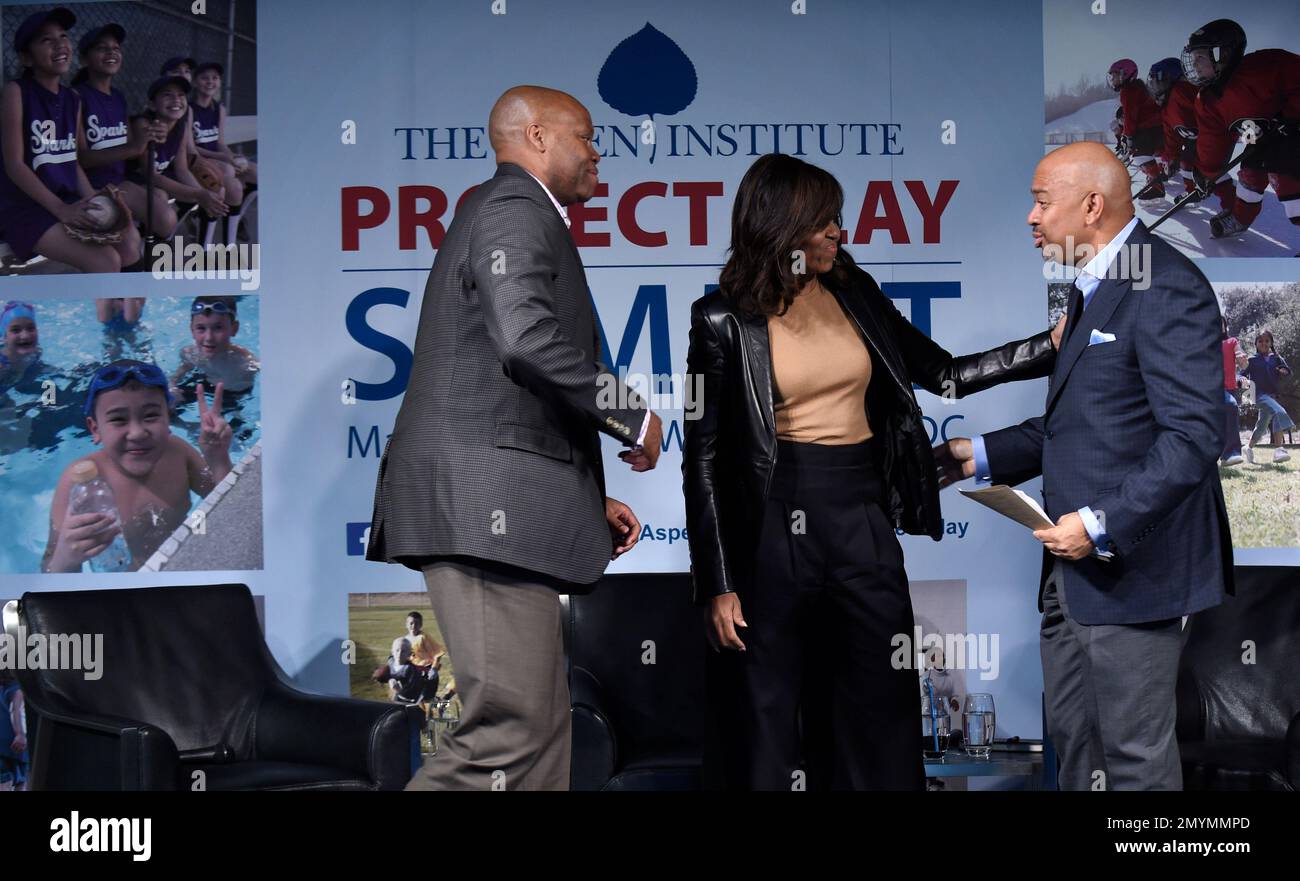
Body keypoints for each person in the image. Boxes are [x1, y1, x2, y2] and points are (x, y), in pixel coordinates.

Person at [684, 153, 1059, 791]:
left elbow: (945, 373)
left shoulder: (853, 291)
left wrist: (1047, 347)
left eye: (838, 219)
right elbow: (705, 458)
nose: (839, 232)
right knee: (769, 709)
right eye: (824, 220)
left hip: (860, 510)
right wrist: (716, 583)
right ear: (783, 224)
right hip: (772, 522)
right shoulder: (719, 317)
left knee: (879, 697)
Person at [365, 85, 663, 791]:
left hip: (503, 507)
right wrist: (632, 413)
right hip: (479, 512)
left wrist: (582, 497)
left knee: (543, 737)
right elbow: (526, 341)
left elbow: (503, 392)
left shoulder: (513, 213)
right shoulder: (514, 207)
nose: (597, 152)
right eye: (586, 136)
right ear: (534, 137)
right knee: (512, 729)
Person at [935, 141, 1234, 791]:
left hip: (1131, 574)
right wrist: (977, 456)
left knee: (1134, 761)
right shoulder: (1093, 288)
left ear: (1092, 205)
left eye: (1042, 201)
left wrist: (1099, 524)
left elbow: (1190, 437)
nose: (1030, 218)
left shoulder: (1167, 285)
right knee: (1076, 751)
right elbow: (1083, 426)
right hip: (1068, 580)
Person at [41, 360, 231, 572]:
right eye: (119, 420)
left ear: (168, 418)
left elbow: (226, 508)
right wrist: (67, 558)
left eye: (150, 416)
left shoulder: (178, 452)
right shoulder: (79, 482)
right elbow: (50, 568)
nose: (138, 433)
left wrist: (218, 458)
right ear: (95, 429)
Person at [0, 7, 141, 272]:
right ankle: (105, 311)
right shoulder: (16, 91)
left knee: (130, 240)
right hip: (24, 208)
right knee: (106, 260)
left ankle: (129, 310)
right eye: (46, 39)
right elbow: (14, 165)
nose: (59, 44)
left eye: (63, 36)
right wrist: (61, 210)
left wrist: (93, 198)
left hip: (64, 198)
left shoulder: (73, 99)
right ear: (26, 57)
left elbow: (71, 161)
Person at [1183, 19, 1300, 239]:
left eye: (1200, 57)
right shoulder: (1208, 100)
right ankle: (1240, 217)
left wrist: (1291, 116)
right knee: (1249, 177)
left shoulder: (1265, 66)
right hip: (1259, 142)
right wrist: (1205, 172)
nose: (1195, 65)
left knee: (1288, 182)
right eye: (1193, 58)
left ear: (1224, 53)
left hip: (1292, 136)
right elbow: (1213, 141)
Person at [72, 22, 174, 240]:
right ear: (83, 59)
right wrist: (135, 146)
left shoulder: (118, 97)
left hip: (118, 181)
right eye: (102, 48)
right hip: (91, 186)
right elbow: (80, 158)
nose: (111, 52)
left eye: (116, 48)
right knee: (161, 221)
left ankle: (146, 261)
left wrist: (153, 136)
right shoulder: (76, 97)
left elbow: (132, 148)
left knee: (165, 213)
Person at [125, 77, 229, 222]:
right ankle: (151, 240)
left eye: (181, 95)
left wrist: (205, 193)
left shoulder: (181, 126)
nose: (176, 99)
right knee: (160, 196)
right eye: (167, 95)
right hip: (133, 181)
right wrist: (198, 194)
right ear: (152, 105)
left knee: (214, 192)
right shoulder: (143, 125)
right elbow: (151, 175)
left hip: (158, 178)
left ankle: (186, 236)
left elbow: (182, 170)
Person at [190, 62, 255, 206]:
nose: (210, 82)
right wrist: (224, 157)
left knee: (255, 173)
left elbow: (219, 143)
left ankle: (237, 217)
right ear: (194, 82)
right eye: (204, 78)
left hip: (218, 159)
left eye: (215, 78)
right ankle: (217, 221)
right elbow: (190, 148)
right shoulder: (189, 110)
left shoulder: (219, 109)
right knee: (233, 185)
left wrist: (232, 156)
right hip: (198, 160)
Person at [1135, 58, 1199, 202]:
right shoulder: (1167, 105)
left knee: (1205, 170)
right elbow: (1172, 136)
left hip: (1211, 139)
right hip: (1195, 139)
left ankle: (1230, 206)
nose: (1154, 87)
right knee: (1186, 163)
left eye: (1158, 82)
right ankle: (1192, 192)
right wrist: (1171, 158)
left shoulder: (1183, 93)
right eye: (1152, 83)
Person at [168, 296, 258, 398]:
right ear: (192, 330)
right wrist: (172, 386)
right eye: (201, 328)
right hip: (203, 383)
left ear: (234, 328)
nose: (209, 338)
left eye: (218, 328)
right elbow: (177, 377)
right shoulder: (191, 354)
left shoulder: (246, 363)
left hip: (233, 395)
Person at [1244, 330, 1294, 463]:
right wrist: (1242, 381)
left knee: (1262, 425)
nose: (1264, 343)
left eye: (1267, 341)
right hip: (1257, 395)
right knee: (1278, 412)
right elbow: (1241, 374)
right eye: (1260, 341)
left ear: (1271, 343)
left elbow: (1288, 371)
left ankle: (1248, 448)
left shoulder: (1276, 358)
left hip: (1272, 396)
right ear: (1256, 344)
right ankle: (1279, 450)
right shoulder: (1251, 360)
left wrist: (1284, 371)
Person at [1108, 58, 1163, 174]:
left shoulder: (1128, 91)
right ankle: (1158, 171)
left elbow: (1130, 116)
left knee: (1139, 153)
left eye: (1115, 76)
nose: (1113, 80)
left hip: (1149, 130)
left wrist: (1128, 136)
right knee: (1153, 152)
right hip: (1157, 128)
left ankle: (1155, 182)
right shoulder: (1137, 87)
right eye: (1111, 77)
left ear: (1125, 74)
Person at [1220, 317, 1247, 466]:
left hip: (1229, 389)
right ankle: (1229, 453)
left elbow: (1242, 361)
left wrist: (1242, 360)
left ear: (1225, 326)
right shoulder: (1205, 345)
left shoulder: (1232, 342)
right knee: (1230, 406)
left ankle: (1228, 455)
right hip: (1211, 389)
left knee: (1230, 407)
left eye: (1220, 322)